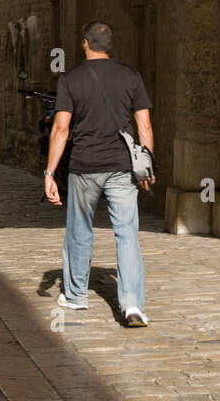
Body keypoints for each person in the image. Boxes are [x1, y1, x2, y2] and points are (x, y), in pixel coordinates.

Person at [44, 20, 155, 328]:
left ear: (84, 43)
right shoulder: (131, 76)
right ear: (110, 45)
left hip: (84, 166)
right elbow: (144, 126)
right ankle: (132, 303)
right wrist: (147, 163)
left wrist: (50, 172)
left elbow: (61, 128)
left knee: (80, 230)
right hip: (121, 166)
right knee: (127, 234)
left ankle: (77, 295)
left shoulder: (71, 79)